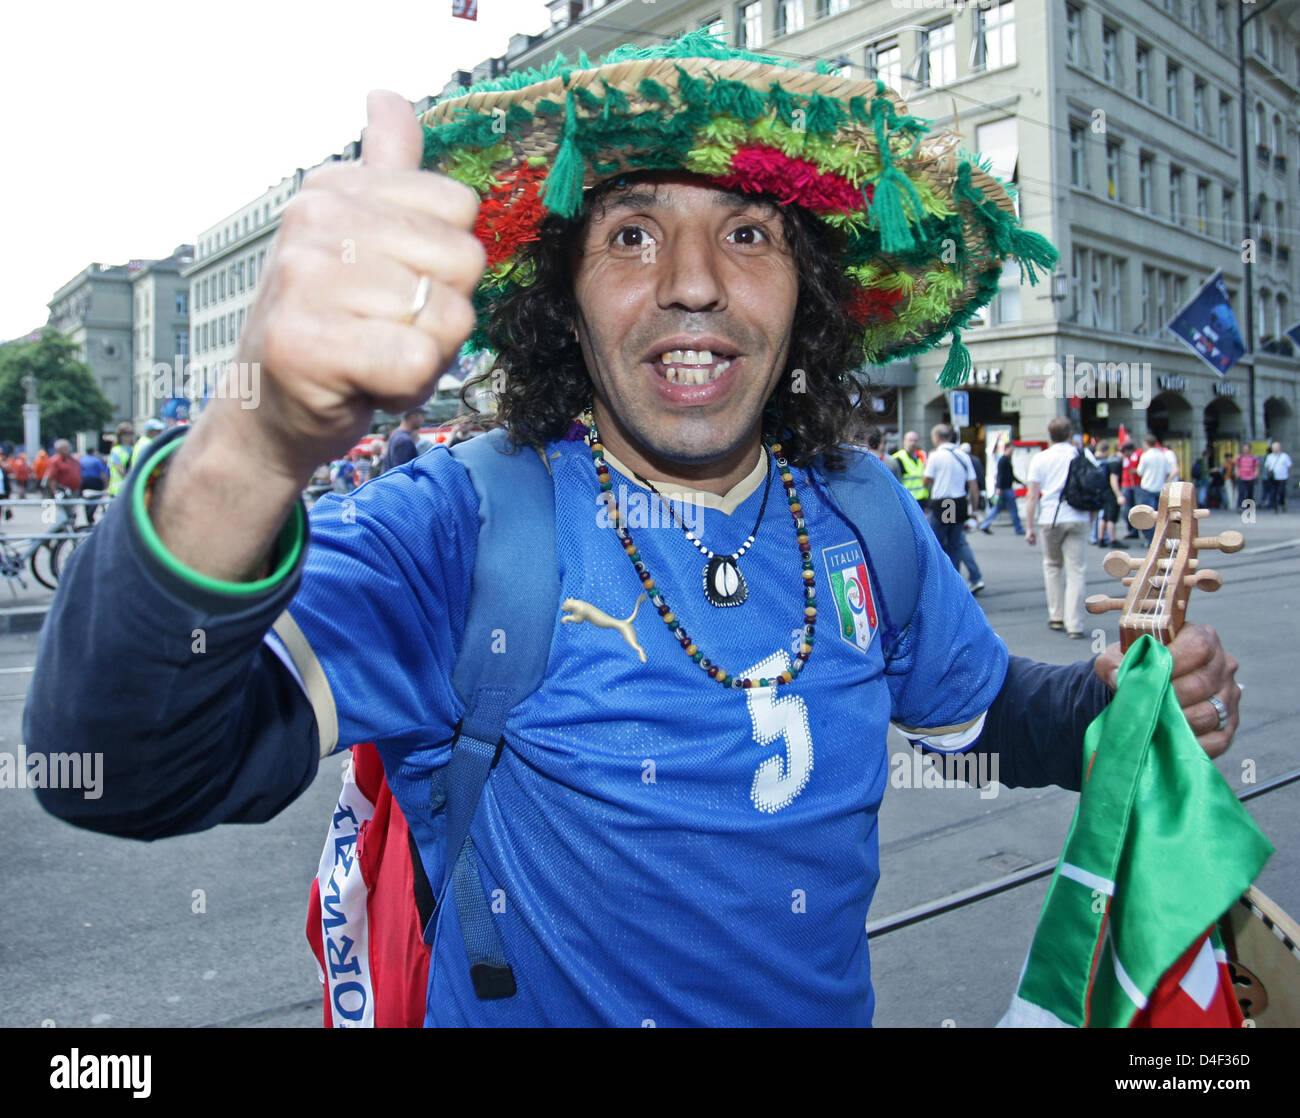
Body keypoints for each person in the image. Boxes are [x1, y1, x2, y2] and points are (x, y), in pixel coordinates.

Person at [25, 44, 1242, 1027]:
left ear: (807, 297)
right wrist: (258, 442)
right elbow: (129, 767)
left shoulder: (868, 510)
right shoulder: (463, 524)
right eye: (631, 232)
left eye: (752, 232)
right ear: (565, 296)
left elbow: (982, 719)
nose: (695, 282)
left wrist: (1120, 715)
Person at [1025, 418, 1090, 638]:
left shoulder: (1041, 458)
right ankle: (1075, 624)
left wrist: (1029, 526)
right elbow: (1095, 485)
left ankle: (1056, 615)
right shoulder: (1082, 455)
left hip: (1050, 518)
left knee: (1052, 566)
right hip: (1078, 516)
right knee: (1076, 570)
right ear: (1070, 433)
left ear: (1049, 435)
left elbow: (1032, 495)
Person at [923, 425, 983, 593]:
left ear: (937, 438)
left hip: (942, 503)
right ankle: (955, 581)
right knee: (955, 544)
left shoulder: (936, 456)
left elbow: (926, 480)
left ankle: (940, 582)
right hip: (958, 503)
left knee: (937, 544)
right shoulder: (963, 455)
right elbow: (973, 484)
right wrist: (975, 510)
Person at [1134, 432, 1173, 543]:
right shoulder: (1162, 455)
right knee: (1161, 516)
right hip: (1160, 489)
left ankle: (1151, 540)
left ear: (1146, 443)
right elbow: (1168, 472)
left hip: (1147, 488)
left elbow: (1140, 472)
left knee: (1147, 516)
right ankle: (1161, 538)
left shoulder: (1145, 456)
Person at [979, 441, 1023, 534]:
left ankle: (984, 525)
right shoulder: (1004, 460)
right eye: (1012, 448)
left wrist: (1020, 482)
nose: (1013, 450)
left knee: (997, 509)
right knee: (1013, 509)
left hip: (1003, 489)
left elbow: (1008, 475)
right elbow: (1001, 475)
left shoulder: (1004, 460)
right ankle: (1018, 529)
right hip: (1005, 489)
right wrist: (999, 488)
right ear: (1007, 448)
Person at [1095, 440, 1126, 549]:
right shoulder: (1116, 463)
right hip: (1111, 493)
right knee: (1111, 517)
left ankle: (1101, 539)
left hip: (1103, 491)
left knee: (1103, 517)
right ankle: (1112, 540)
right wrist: (1119, 495)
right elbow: (1114, 480)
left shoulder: (1107, 461)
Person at [890, 430, 928, 507]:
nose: (913, 443)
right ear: (904, 442)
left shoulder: (920, 457)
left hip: (922, 500)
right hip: (908, 500)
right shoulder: (898, 458)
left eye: (915, 441)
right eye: (910, 440)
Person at [77, 448, 110, 524]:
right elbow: (102, 473)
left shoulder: (81, 460)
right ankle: (90, 515)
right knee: (95, 498)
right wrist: (106, 485)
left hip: (84, 481)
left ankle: (88, 516)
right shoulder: (96, 460)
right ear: (93, 452)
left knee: (86, 499)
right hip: (95, 482)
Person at [1119, 440, 1142, 538]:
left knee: (1137, 509)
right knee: (1126, 510)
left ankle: (1136, 530)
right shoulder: (1126, 458)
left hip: (1136, 484)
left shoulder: (1139, 454)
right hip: (1127, 484)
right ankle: (1132, 530)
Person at [108, 423, 136, 497]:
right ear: (120, 435)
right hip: (118, 490)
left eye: (131, 433)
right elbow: (121, 471)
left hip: (132, 489)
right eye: (125, 433)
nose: (129, 435)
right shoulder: (115, 450)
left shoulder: (135, 449)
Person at [1264, 441, 1291, 512]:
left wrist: (1286, 473)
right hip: (1273, 478)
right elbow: (1266, 466)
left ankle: (1282, 503)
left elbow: (1289, 466)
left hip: (1283, 477)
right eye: (1274, 448)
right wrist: (1270, 471)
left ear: (1280, 448)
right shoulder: (1270, 457)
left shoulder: (1284, 456)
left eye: (1276, 447)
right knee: (1273, 492)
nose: (1275, 449)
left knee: (1281, 492)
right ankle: (1275, 508)